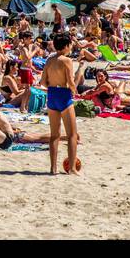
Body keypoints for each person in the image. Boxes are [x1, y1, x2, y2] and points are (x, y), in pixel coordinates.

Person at [39, 33, 80, 175]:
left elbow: (42, 82)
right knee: (72, 135)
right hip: (64, 95)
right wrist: (74, 91)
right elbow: (70, 82)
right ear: (67, 45)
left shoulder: (50, 60)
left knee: (54, 135)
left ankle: (53, 168)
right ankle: (73, 168)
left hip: (51, 95)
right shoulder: (66, 60)